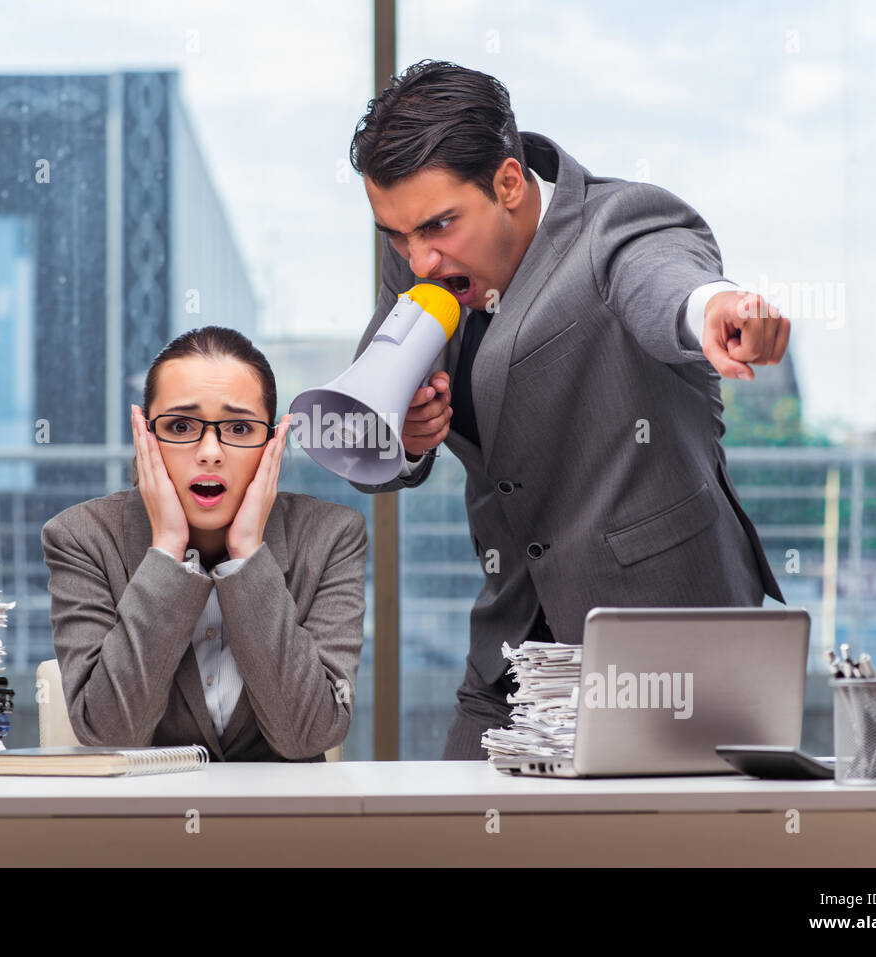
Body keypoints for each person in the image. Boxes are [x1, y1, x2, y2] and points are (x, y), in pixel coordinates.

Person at [345, 61, 790, 760]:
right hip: (514, 650)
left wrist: (713, 310)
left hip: (667, 641)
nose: (419, 260)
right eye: (396, 235)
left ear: (510, 183)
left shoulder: (623, 224)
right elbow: (367, 432)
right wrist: (401, 436)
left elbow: (664, 280)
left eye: (437, 226)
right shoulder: (417, 256)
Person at [41, 326, 367, 761]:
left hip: (283, 823)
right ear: (146, 437)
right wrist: (167, 551)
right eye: (180, 425)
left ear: (272, 443)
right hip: (140, 823)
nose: (210, 451)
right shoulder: (82, 538)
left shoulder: (330, 536)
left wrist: (249, 554)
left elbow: (309, 735)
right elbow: (109, 732)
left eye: (237, 427)